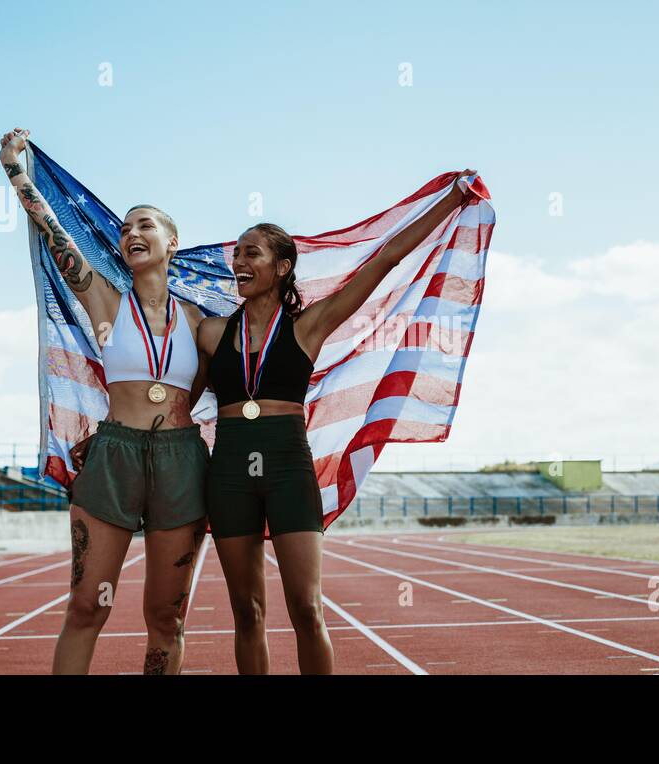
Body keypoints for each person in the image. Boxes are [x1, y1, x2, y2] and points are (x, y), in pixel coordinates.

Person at [198, 171, 476, 673]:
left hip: (286, 465)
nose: (239, 261)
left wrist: (451, 201)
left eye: (252, 253)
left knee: (307, 608)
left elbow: (385, 260)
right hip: (230, 469)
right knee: (247, 611)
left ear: (282, 267)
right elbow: (173, 395)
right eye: (236, 253)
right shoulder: (211, 333)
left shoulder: (309, 325)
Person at [0, 127, 210, 675]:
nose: (132, 232)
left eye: (146, 224)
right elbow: (54, 234)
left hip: (181, 458)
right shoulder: (105, 302)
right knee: (87, 605)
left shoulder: (200, 323)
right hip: (114, 455)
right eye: (125, 228)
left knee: (166, 618)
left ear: (172, 243)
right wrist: (15, 171)